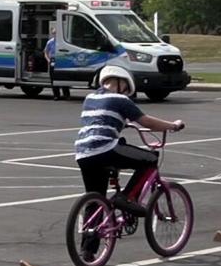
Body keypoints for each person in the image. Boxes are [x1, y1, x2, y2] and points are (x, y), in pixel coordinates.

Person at [75, 65, 184, 218]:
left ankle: (89, 239)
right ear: (120, 82)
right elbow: (146, 123)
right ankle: (126, 197)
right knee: (150, 160)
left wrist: (120, 122)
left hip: (83, 152)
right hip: (105, 147)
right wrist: (172, 126)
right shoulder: (121, 99)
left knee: (95, 200)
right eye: (126, 87)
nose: (126, 92)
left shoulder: (90, 98)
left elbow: (100, 118)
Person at [43, 25, 70, 101]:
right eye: (53, 33)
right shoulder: (50, 42)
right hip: (53, 60)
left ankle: (66, 94)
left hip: (61, 60)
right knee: (53, 79)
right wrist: (48, 60)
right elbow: (46, 52)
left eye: (56, 33)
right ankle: (56, 95)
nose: (54, 34)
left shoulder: (63, 42)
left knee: (63, 77)